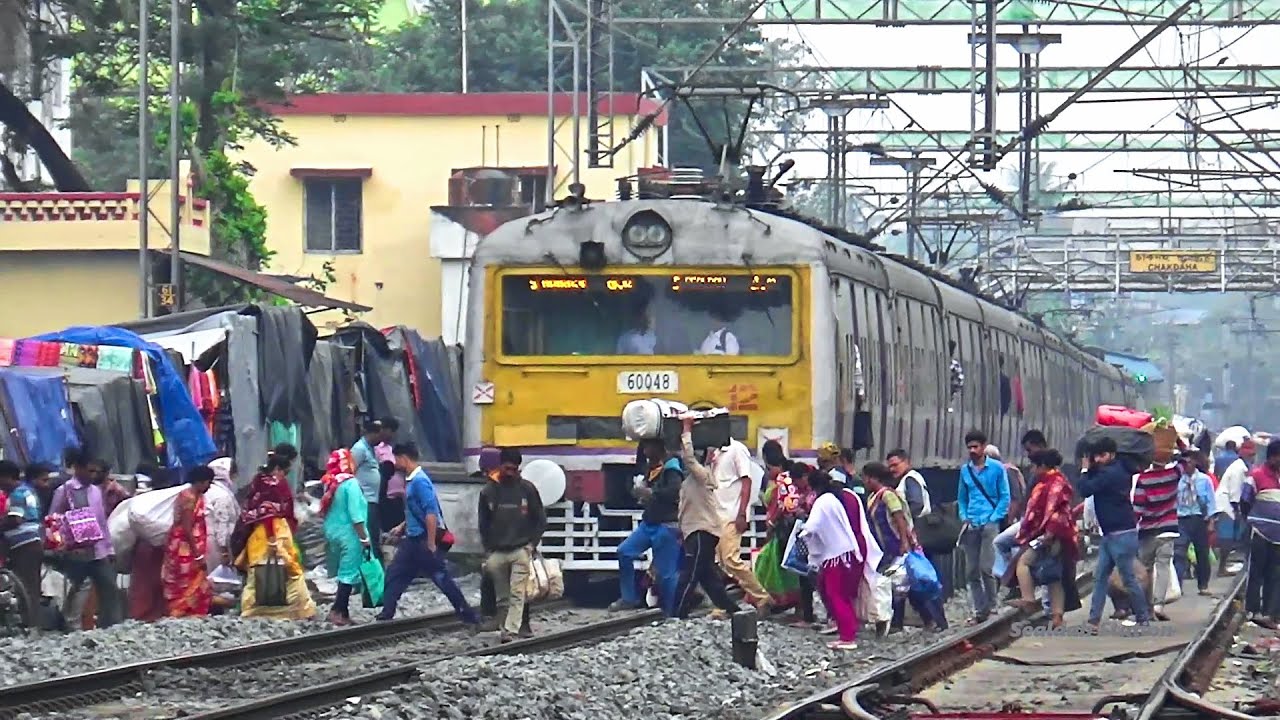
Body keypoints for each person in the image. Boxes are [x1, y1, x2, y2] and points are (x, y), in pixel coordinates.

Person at [381, 443, 480, 625]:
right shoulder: (411, 480)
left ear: (404, 458)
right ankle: (386, 612)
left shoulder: (420, 481)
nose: (395, 464)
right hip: (412, 540)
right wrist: (402, 526)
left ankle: (468, 615)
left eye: (396, 459)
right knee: (396, 573)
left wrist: (431, 543)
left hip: (422, 541)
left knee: (441, 578)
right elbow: (415, 509)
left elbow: (431, 513)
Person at [863, 462, 948, 633]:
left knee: (908, 585)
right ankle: (899, 622)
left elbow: (899, 518)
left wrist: (904, 542)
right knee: (899, 585)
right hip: (885, 547)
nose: (864, 481)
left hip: (897, 546)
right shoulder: (874, 496)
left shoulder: (888, 495)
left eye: (865, 477)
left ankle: (927, 620)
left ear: (873, 478)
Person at [673, 416, 744, 618]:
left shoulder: (702, 475)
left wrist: (686, 429)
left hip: (702, 533)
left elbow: (688, 457)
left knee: (690, 576)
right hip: (695, 532)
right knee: (709, 580)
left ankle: (678, 616)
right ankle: (735, 612)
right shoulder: (692, 480)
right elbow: (685, 508)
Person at [233, 455, 317, 620]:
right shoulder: (274, 485)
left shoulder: (258, 481)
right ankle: (299, 609)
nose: (284, 476)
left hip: (257, 535)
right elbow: (269, 514)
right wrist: (272, 539)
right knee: (291, 570)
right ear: (278, 469)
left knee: (257, 573)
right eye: (284, 472)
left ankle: (251, 610)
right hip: (274, 533)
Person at [1080, 436, 1150, 628]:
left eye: (1102, 456)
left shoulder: (1111, 473)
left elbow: (1085, 489)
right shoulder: (1118, 469)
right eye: (1097, 456)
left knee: (1127, 578)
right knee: (1100, 577)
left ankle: (1143, 617)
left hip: (1120, 534)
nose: (1099, 459)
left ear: (1111, 454)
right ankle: (1093, 620)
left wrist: (1086, 469)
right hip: (1113, 534)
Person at [478, 447, 546, 642]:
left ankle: (511, 630)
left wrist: (532, 545)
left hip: (520, 549)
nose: (510, 473)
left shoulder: (527, 489)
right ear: (500, 466)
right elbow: (483, 523)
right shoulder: (488, 491)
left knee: (517, 593)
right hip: (497, 551)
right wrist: (487, 551)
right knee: (502, 596)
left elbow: (540, 519)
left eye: (514, 469)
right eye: (507, 468)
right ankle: (505, 625)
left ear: (519, 468)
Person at [800, 470, 873, 650]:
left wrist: (802, 532)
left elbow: (813, 525)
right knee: (837, 592)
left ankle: (847, 637)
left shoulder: (822, 501)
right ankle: (847, 629)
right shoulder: (833, 498)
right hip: (844, 552)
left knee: (836, 595)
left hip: (835, 554)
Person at [49, 450, 119, 630]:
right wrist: (61, 544)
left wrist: (109, 549)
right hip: (76, 551)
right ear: (78, 468)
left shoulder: (96, 491)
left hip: (99, 549)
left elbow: (101, 521)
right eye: (89, 471)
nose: (92, 475)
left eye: (95, 471)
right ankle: (70, 626)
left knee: (109, 587)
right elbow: (53, 520)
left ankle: (110, 627)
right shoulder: (64, 491)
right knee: (76, 589)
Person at [611, 439, 683, 614]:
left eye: (648, 447)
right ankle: (629, 598)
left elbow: (675, 492)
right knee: (624, 552)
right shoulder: (651, 469)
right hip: (649, 523)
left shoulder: (672, 468)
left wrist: (652, 493)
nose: (645, 452)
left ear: (659, 447)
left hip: (667, 525)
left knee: (667, 573)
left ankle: (671, 612)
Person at [1012, 449, 1080, 628]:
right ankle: (1057, 617)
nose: (1032, 470)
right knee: (1053, 576)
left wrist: (1048, 533)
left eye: (1034, 466)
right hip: (1059, 535)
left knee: (1023, 563)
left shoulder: (1052, 484)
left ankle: (1028, 599)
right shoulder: (1059, 481)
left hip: (1049, 536)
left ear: (1042, 465)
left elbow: (1055, 512)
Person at [709, 435, 770, 613]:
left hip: (732, 513)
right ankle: (722, 605)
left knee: (730, 559)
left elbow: (746, 481)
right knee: (720, 561)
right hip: (716, 513)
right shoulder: (715, 453)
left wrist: (743, 512)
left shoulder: (737, 450)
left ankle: (761, 596)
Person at [957, 430, 1009, 625]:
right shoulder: (965, 471)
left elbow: (1004, 496)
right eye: (969, 447)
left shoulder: (997, 468)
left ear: (984, 446)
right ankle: (980, 610)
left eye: (975, 446)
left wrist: (994, 518)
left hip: (989, 524)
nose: (972, 450)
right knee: (971, 571)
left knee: (986, 568)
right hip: (971, 524)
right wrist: (964, 517)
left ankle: (992, 606)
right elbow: (962, 498)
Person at [1131, 446, 1180, 622]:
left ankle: (1145, 607)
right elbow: (1188, 459)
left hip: (1147, 531)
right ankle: (1159, 605)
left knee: (1145, 569)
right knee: (1163, 566)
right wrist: (1177, 443)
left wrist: (1133, 526)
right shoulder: (1173, 475)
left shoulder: (1144, 479)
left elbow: (1137, 508)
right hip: (1168, 529)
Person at [321, 450, 368, 625]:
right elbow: (356, 514)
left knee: (342, 572)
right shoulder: (351, 484)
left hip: (332, 532)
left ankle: (343, 612)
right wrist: (364, 537)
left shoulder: (330, 482)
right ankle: (338, 611)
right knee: (348, 573)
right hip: (350, 534)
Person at [162, 466, 214, 618]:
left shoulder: (197, 496)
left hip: (192, 546)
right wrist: (197, 555)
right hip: (184, 548)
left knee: (195, 580)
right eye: (208, 483)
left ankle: (191, 615)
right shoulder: (189, 498)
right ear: (200, 482)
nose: (209, 486)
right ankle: (180, 613)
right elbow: (186, 528)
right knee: (185, 580)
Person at [1245, 439, 1280, 628]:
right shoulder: (1256, 475)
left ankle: (1269, 613)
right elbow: (1245, 500)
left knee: (1274, 574)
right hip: (1260, 531)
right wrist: (1252, 521)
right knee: (1256, 572)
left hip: (1278, 535)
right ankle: (1252, 610)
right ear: (1273, 457)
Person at [0, 460, 42, 619]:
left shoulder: (17, 494)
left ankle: (31, 624)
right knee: (29, 584)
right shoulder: (27, 491)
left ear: (7, 477)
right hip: (30, 544)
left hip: (25, 545)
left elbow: (15, 520)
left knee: (27, 586)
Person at [1174, 450, 1217, 597]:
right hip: (1182, 519)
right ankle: (1177, 586)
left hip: (1199, 519)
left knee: (1202, 553)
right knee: (1179, 553)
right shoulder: (1178, 479)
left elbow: (1211, 502)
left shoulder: (1204, 480)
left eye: (1189, 462)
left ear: (1195, 462)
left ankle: (1203, 584)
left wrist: (1211, 522)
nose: (1186, 465)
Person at [353, 419, 397, 552]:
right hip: (364, 500)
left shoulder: (371, 449)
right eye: (381, 435)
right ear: (373, 434)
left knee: (374, 535)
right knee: (370, 535)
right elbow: (350, 471)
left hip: (373, 500)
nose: (382, 439)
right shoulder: (359, 449)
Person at [1217, 438, 1254, 576]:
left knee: (1231, 535)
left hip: (1228, 502)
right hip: (1226, 503)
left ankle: (1224, 565)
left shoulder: (1242, 467)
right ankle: (1222, 568)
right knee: (1227, 536)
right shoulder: (1239, 469)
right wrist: (1239, 511)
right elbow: (1235, 493)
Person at [204, 457, 240, 573]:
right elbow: (221, 523)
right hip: (215, 544)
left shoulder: (209, 490)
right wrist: (224, 550)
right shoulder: (222, 495)